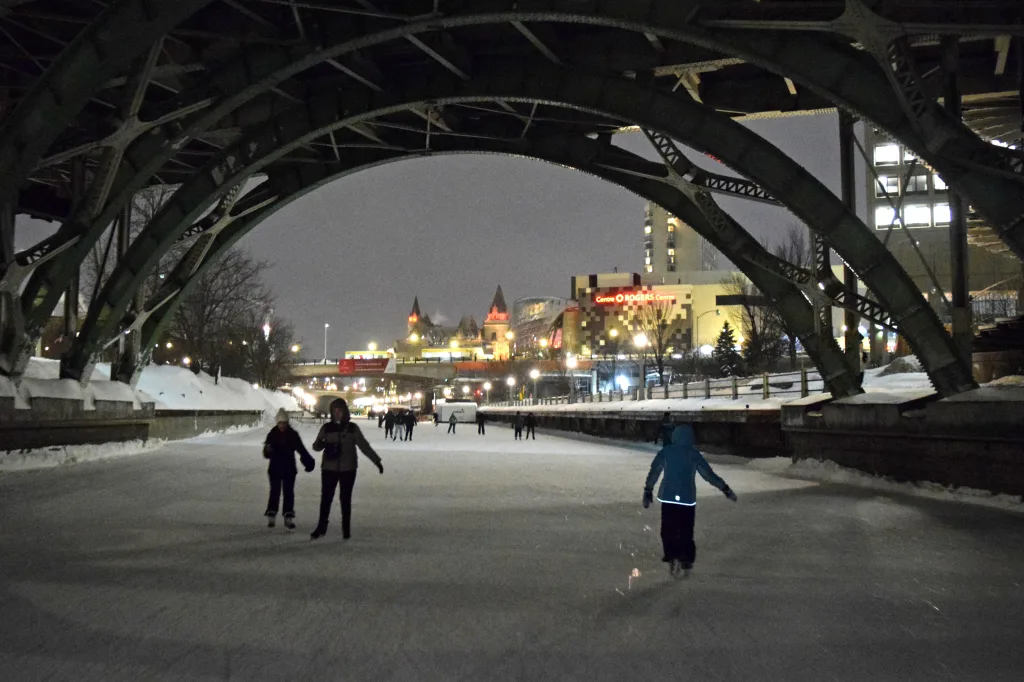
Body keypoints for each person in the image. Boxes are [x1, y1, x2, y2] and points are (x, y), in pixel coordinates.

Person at [642, 424, 737, 577]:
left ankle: (671, 554)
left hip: (668, 498)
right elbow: (708, 474)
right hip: (687, 499)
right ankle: (686, 558)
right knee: (686, 530)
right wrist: (724, 488)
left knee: (668, 529)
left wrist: (648, 489)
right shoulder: (693, 455)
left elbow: (654, 471)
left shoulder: (666, 452)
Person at [310, 398, 383, 540]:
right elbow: (315, 446)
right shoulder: (326, 428)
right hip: (329, 468)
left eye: (340, 411)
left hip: (348, 469)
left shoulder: (352, 428)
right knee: (326, 498)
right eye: (335, 411)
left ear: (345, 412)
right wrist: (322, 444)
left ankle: (346, 528)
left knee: (345, 499)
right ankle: (321, 526)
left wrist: (377, 461)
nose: (337, 413)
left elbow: (364, 446)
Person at [263, 408, 315, 530]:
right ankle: (272, 514)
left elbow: (301, 450)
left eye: (284, 423)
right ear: (277, 423)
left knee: (288, 492)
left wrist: (308, 462)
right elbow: (266, 453)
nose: (282, 425)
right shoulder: (272, 434)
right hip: (275, 468)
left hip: (289, 469)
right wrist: (267, 450)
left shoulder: (293, 435)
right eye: (280, 423)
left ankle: (288, 516)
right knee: (274, 491)